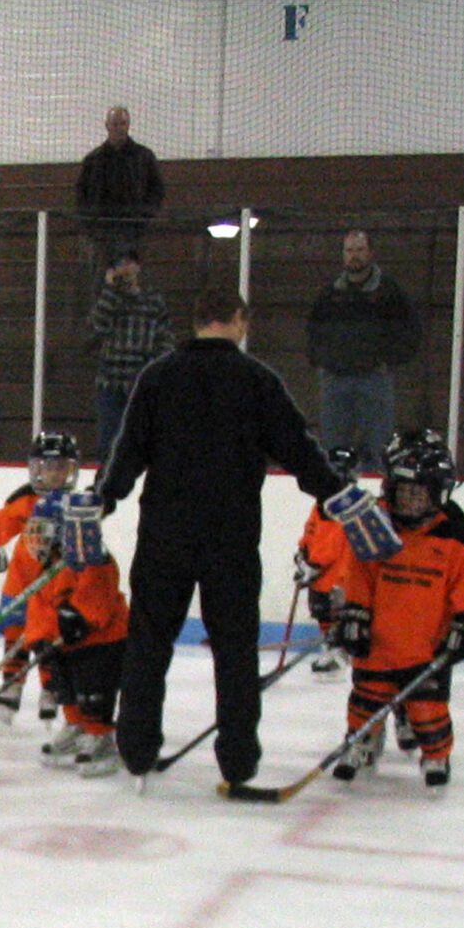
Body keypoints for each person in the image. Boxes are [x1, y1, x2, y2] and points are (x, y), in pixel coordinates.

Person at [97, 288, 347, 786]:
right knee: (234, 650)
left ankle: (137, 748)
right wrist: (336, 494)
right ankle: (237, 757)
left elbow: (127, 452)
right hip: (229, 538)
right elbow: (298, 449)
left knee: (150, 642)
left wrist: (104, 498)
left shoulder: (159, 376)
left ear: (196, 320)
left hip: (165, 533)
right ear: (239, 321)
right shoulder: (257, 380)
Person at [327, 437, 464, 789]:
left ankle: (436, 754)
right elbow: (360, 576)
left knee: (428, 709)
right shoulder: (379, 530)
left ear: (438, 494)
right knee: (365, 702)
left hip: (424, 646)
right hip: (379, 643)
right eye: (404, 492)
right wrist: (355, 614)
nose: (411, 502)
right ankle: (361, 743)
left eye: (420, 493)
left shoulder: (460, 540)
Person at [0, 431, 81, 724]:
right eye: (48, 467)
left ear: (71, 470)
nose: (54, 475)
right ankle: (12, 684)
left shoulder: (79, 505)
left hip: (55, 590)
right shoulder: (26, 501)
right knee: (15, 637)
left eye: (60, 468)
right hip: (20, 585)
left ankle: (50, 690)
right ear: (36, 468)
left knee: (49, 642)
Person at [22, 500, 129, 776]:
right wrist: (41, 642)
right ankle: (77, 726)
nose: (36, 538)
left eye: (43, 530)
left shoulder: (89, 559)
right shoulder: (47, 569)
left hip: (101, 642)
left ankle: (101, 735)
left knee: (93, 691)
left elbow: (101, 592)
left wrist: (81, 617)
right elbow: (40, 613)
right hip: (67, 644)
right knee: (64, 685)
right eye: (34, 529)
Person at [305, 231, 422, 475]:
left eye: (359, 250)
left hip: (374, 380)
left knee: (378, 449)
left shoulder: (389, 292)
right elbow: (313, 331)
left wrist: (388, 360)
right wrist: (322, 361)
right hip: (335, 380)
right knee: (334, 449)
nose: (353, 256)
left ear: (370, 253)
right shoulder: (331, 294)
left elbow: (410, 331)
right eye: (349, 250)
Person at [87, 250, 175, 468]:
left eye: (129, 263)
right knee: (109, 440)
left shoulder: (152, 300)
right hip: (111, 380)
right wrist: (110, 291)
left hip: (141, 380)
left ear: (138, 267)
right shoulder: (107, 299)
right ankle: (108, 476)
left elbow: (166, 337)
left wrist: (153, 367)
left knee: (144, 435)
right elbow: (96, 327)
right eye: (120, 264)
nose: (125, 269)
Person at [294, 446, 362, 679]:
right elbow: (311, 532)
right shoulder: (322, 503)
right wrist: (302, 554)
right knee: (322, 611)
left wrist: (312, 565)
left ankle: (340, 653)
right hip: (322, 575)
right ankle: (332, 648)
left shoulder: (345, 504)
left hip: (339, 575)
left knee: (336, 611)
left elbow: (330, 544)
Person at [75, 106, 164, 264]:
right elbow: (81, 194)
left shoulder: (144, 157)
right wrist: (89, 225)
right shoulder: (93, 160)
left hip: (135, 230)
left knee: (132, 278)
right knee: (101, 279)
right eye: (115, 124)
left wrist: (146, 216)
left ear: (128, 125)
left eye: (122, 124)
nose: (118, 128)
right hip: (101, 232)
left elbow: (157, 189)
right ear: (107, 126)